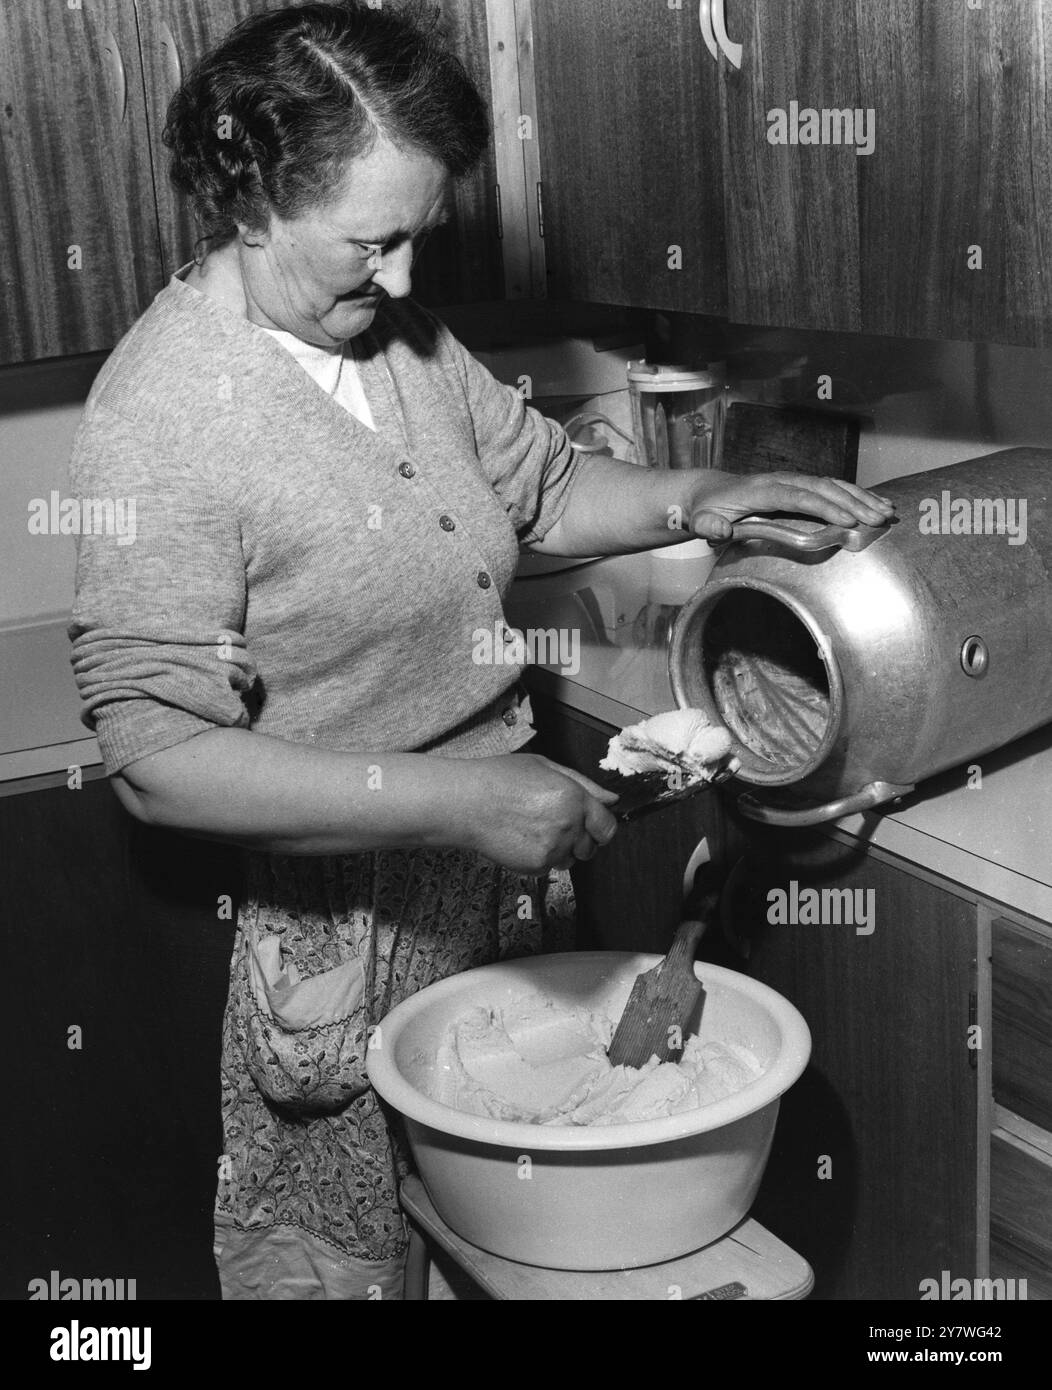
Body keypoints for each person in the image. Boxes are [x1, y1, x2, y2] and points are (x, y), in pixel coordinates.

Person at [68, 0, 894, 1299]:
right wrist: (469, 796)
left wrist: (699, 498)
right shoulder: (163, 415)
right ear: (255, 199)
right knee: (350, 1263)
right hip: (335, 941)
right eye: (373, 242)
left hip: (490, 901)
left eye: (419, 239)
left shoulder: (400, 341)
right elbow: (157, 758)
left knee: (506, 1245)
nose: (402, 283)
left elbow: (546, 489)